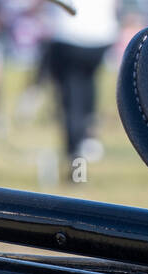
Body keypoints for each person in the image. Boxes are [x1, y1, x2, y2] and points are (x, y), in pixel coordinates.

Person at [42, 0, 118, 178]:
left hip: (71, 36)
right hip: (101, 35)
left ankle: (77, 169)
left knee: (73, 105)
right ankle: (88, 138)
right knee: (86, 92)